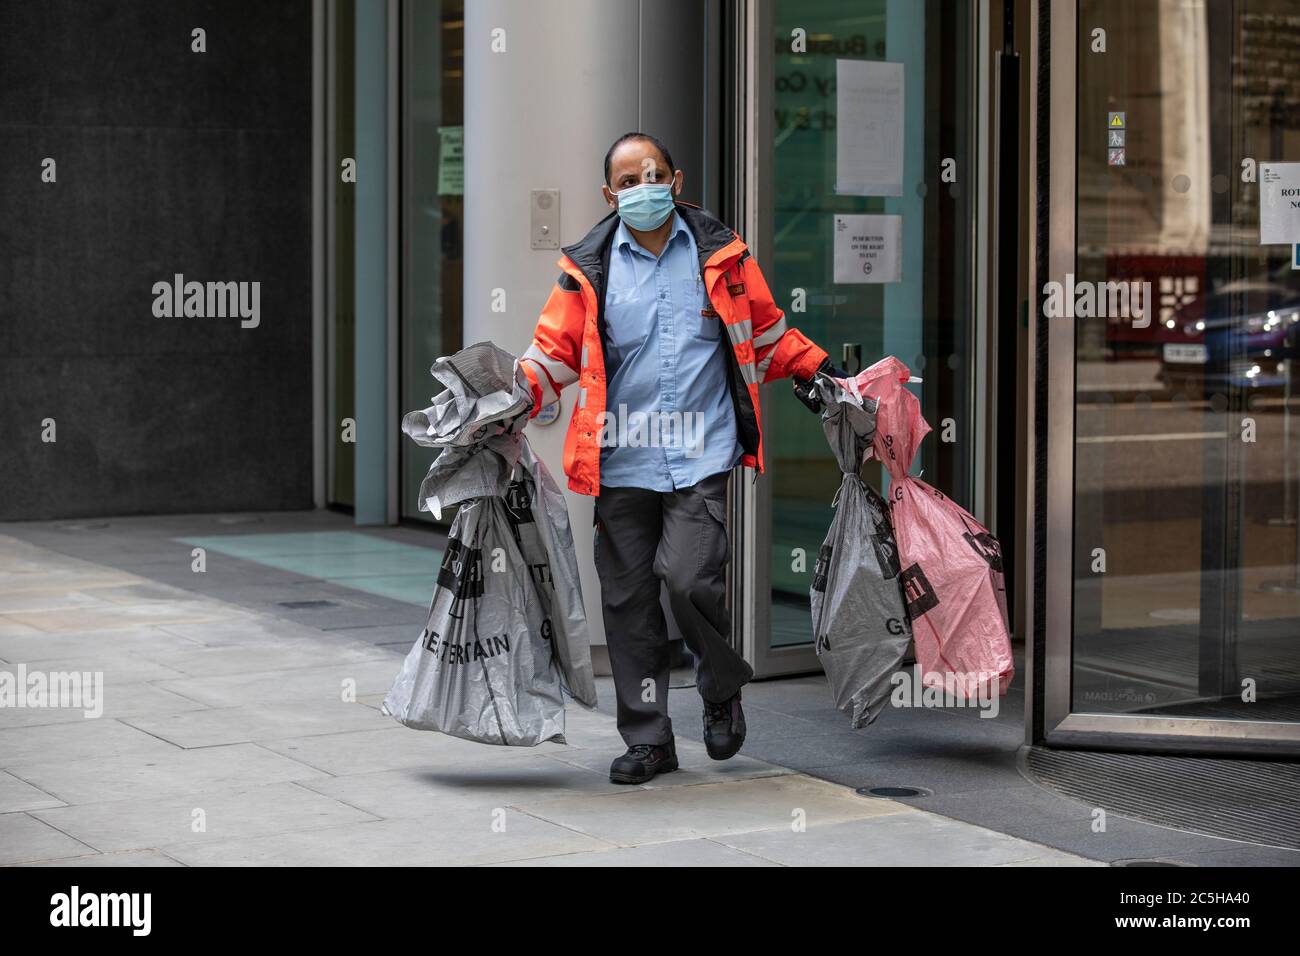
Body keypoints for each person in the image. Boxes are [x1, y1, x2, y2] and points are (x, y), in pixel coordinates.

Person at [519, 131, 842, 784]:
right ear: (611, 196)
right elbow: (552, 353)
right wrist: (506, 398)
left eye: (653, 175)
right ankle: (649, 740)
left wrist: (823, 373)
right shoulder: (589, 268)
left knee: (691, 579)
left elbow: (766, 330)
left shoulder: (721, 256)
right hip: (620, 458)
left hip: (700, 451)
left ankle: (720, 686)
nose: (643, 189)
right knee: (630, 602)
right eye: (628, 182)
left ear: (677, 179)